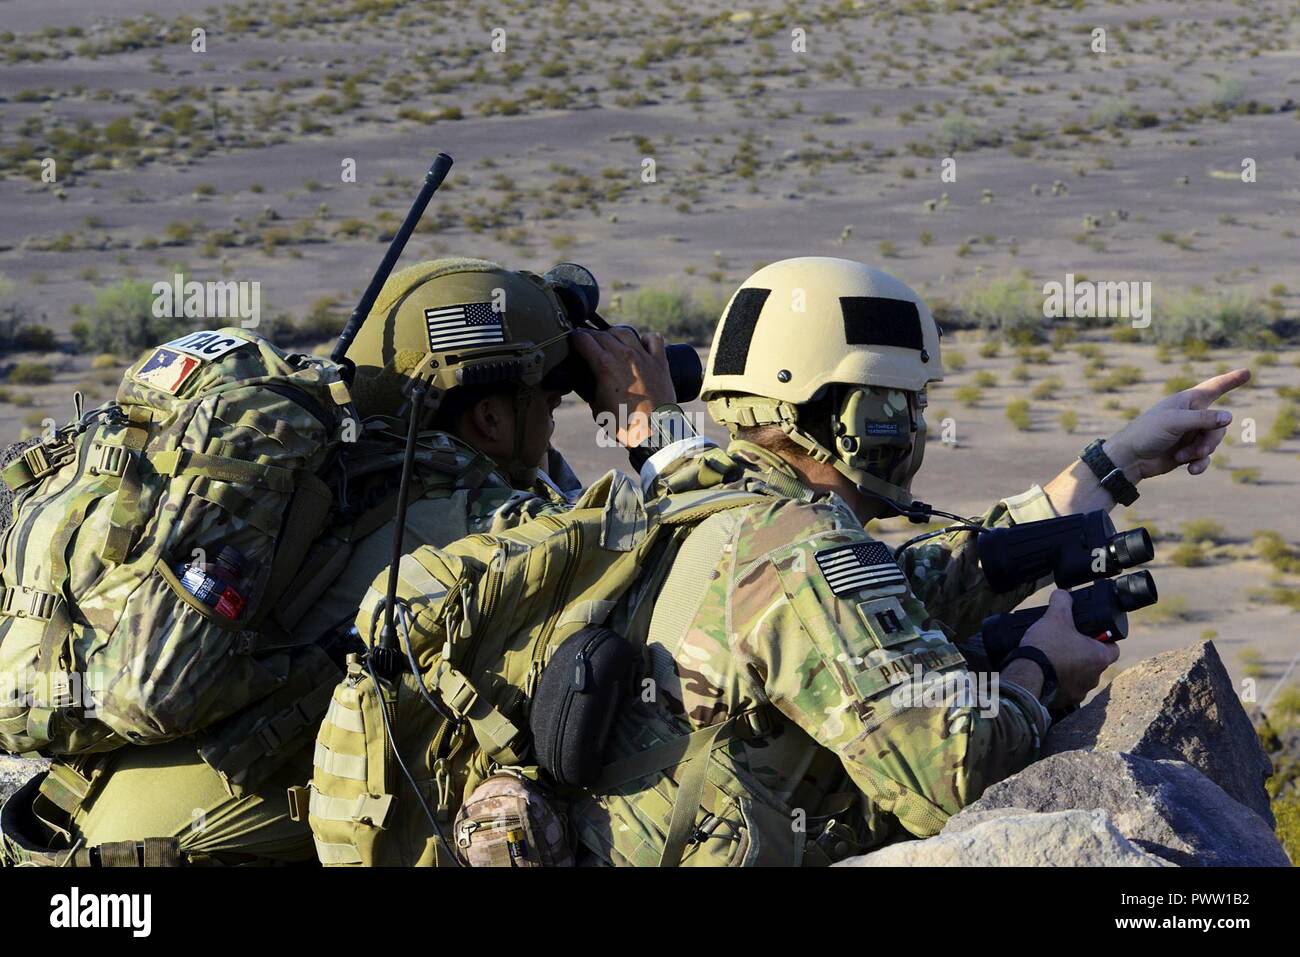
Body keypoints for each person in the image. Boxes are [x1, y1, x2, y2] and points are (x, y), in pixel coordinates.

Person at [568, 256, 1246, 865]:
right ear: (863, 416)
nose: (920, 423)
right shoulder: (797, 545)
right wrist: (1038, 668)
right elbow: (955, 775)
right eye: (911, 400)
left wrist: (1117, 461)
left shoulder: (700, 501)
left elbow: (902, 590)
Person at [0, 257, 674, 867]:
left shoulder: (293, 485)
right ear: (493, 420)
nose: (557, 424)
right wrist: (654, 429)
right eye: (549, 405)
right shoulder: (494, 537)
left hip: (63, 843)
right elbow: (716, 575)